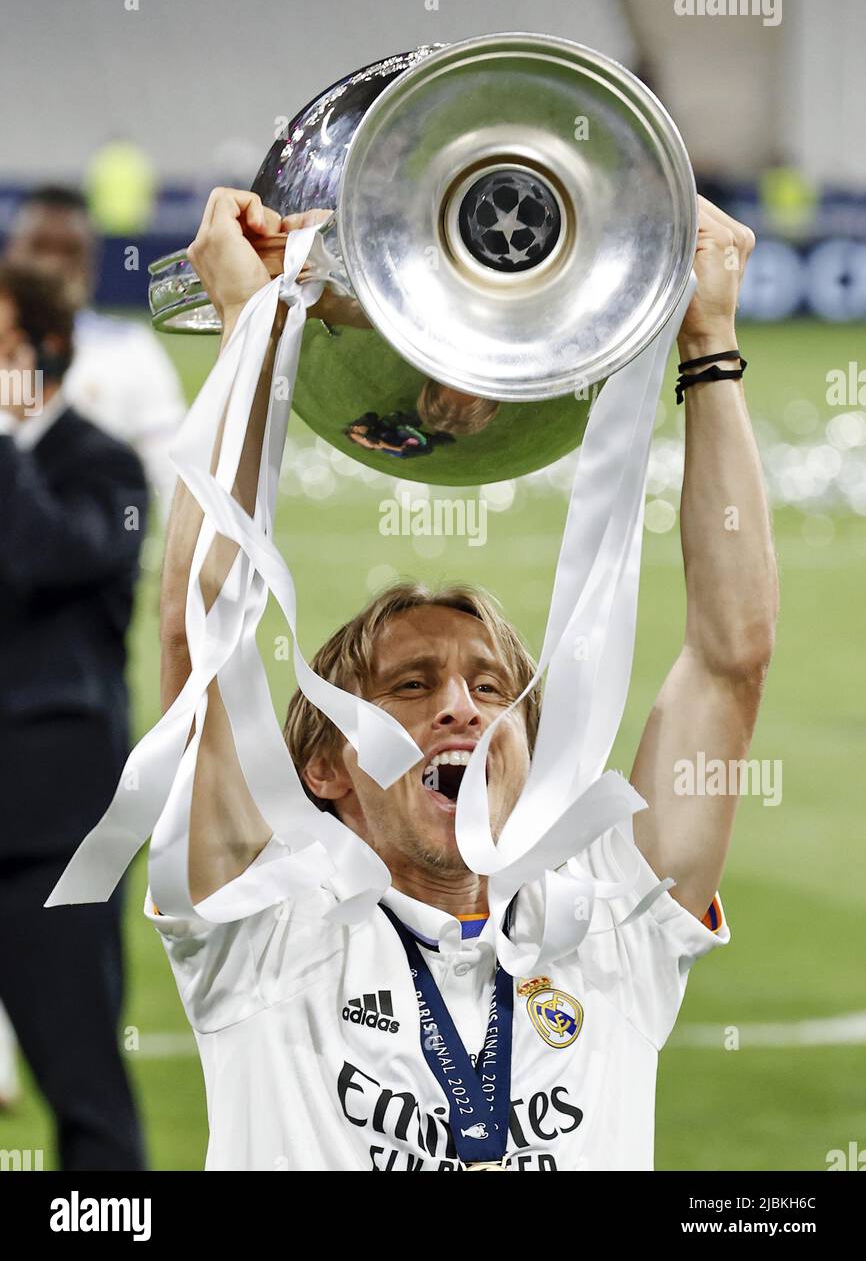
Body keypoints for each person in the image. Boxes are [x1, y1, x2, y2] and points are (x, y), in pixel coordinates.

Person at [143, 188, 778, 1171]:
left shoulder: (606, 923)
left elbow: (728, 662)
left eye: (492, 690)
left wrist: (706, 337)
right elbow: (199, 638)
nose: (457, 708)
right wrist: (249, 330)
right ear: (322, 770)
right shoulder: (267, 919)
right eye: (407, 687)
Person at [0, 262, 147, 1169]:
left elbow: (43, 557)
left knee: (83, 1081)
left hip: (51, 829)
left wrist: (4, 441)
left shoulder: (107, 465)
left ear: (44, 350)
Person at [4, 185, 186, 525]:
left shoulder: (131, 349)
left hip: (86, 555)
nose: (53, 265)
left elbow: (173, 470)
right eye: (40, 247)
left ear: (92, 262)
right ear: (12, 252)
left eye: (70, 251)